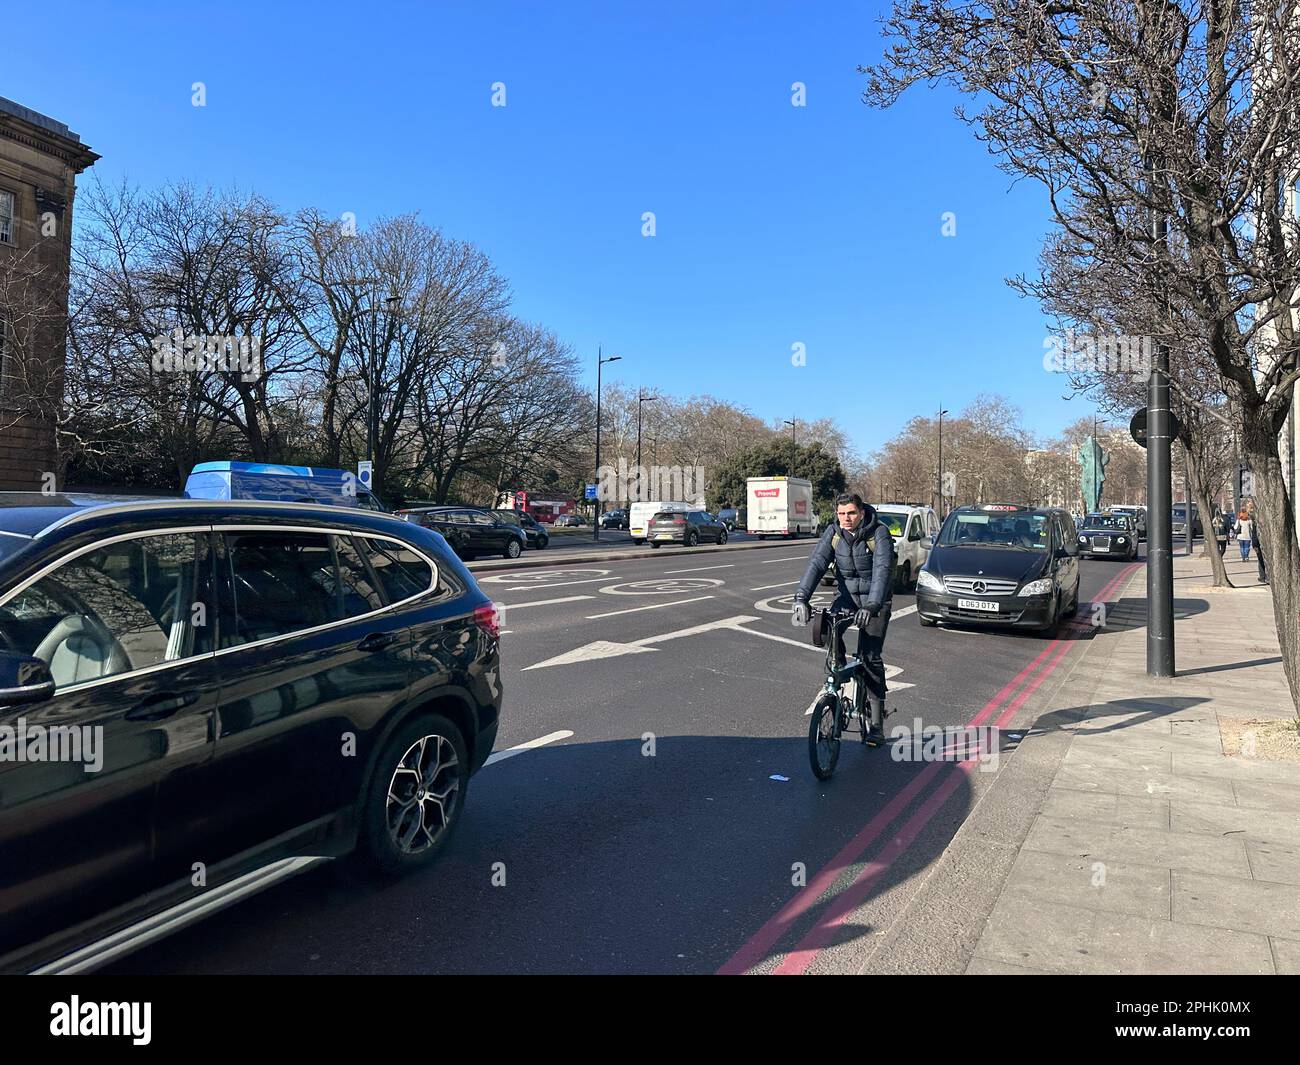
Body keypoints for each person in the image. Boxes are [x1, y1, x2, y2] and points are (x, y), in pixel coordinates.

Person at [791, 492, 895, 747]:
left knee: (870, 657)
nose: (845, 519)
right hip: (847, 598)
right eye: (841, 513)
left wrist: (872, 605)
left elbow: (882, 570)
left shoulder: (878, 533)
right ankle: (838, 664)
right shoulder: (834, 533)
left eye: (850, 513)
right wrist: (801, 597)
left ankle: (877, 726)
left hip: (875, 601)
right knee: (824, 627)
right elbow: (817, 563)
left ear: (860, 513)